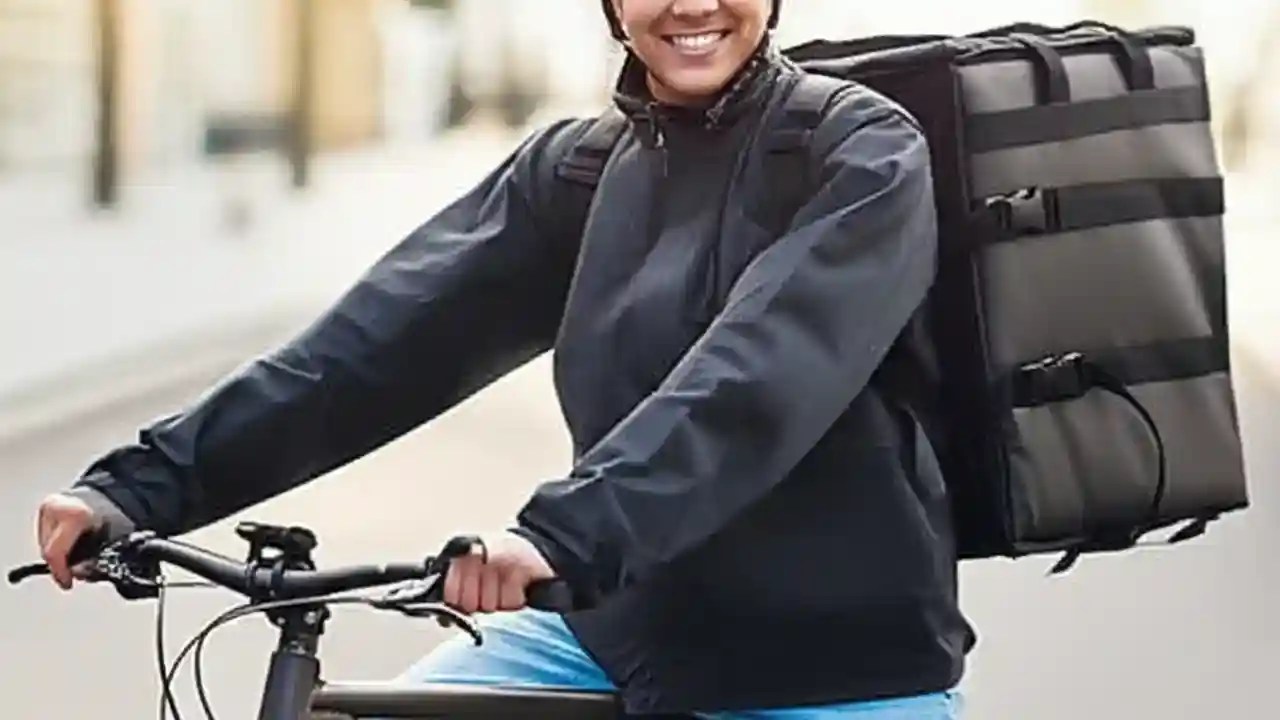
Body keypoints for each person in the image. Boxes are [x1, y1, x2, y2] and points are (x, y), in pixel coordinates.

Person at [35, 1, 975, 717]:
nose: (692, 4)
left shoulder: (862, 149)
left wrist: (564, 537)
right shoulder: (578, 171)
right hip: (613, 638)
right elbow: (370, 350)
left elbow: (760, 375)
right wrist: (143, 487)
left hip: (825, 667)